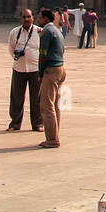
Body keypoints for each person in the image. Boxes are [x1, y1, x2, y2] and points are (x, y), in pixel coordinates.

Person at [7, 9, 43, 132]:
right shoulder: (14, 32)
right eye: (24, 17)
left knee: (36, 98)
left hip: (35, 69)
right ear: (20, 18)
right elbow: (11, 49)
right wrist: (19, 59)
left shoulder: (40, 32)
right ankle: (15, 123)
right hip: (19, 69)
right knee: (17, 98)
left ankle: (38, 124)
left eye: (28, 17)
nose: (26, 19)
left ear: (33, 17)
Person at [37, 8, 66, 148]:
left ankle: (52, 140)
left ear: (45, 19)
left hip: (51, 70)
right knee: (55, 106)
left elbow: (42, 55)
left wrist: (40, 73)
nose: (37, 20)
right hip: (60, 68)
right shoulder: (57, 31)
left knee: (46, 106)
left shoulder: (46, 32)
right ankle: (54, 135)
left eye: (39, 18)